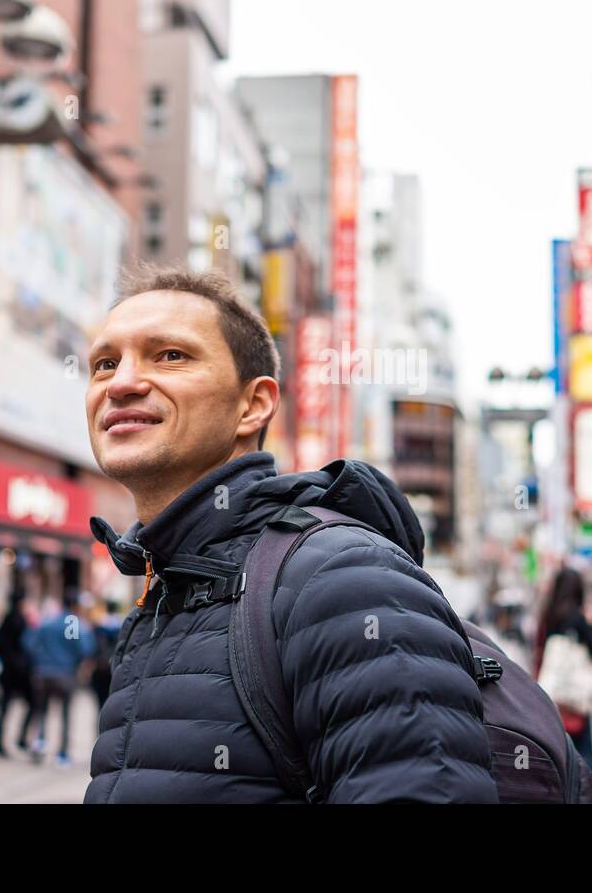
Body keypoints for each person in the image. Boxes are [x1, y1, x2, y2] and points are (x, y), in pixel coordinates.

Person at [84, 268, 496, 803]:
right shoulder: (164, 595)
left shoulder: (345, 578)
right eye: (105, 364)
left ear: (253, 404)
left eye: (170, 356)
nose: (121, 383)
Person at [534, 567, 592, 774]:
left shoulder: (547, 616)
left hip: (551, 691)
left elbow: (538, 651)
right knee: (583, 756)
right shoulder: (579, 617)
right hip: (575, 694)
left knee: (556, 749)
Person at [23, 589, 96, 766]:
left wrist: (41, 660)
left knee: (41, 711)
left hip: (42, 673)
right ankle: (62, 753)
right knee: (65, 714)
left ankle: (40, 743)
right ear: (75, 605)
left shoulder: (47, 621)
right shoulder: (72, 623)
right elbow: (84, 649)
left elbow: (28, 643)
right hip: (65, 674)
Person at [0, 587, 34, 758]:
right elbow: (27, 645)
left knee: (4, 708)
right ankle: (20, 738)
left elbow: (0, 646)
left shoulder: (5, 620)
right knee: (31, 704)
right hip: (19, 671)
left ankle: (0, 741)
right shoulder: (20, 620)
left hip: (8, 671)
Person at [89, 599, 123, 717]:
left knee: (100, 703)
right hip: (116, 668)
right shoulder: (123, 625)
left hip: (100, 668)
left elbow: (92, 648)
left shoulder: (98, 627)